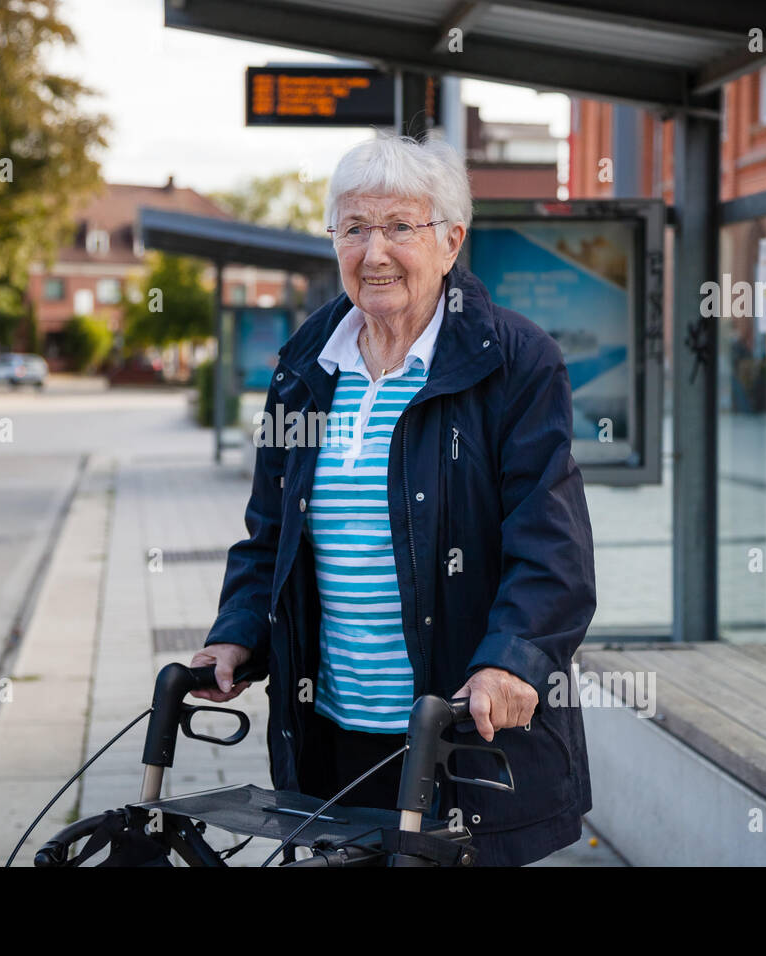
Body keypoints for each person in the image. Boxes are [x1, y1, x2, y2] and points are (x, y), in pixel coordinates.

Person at [191, 131, 597, 866]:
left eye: (399, 227)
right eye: (353, 228)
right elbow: (269, 531)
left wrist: (511, 661)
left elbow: (552, 544)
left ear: (450, 241)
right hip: (334, 732)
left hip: (459, 733)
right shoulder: (304, 369)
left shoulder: (513, 362)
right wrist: (237, 630)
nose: (374, 252)